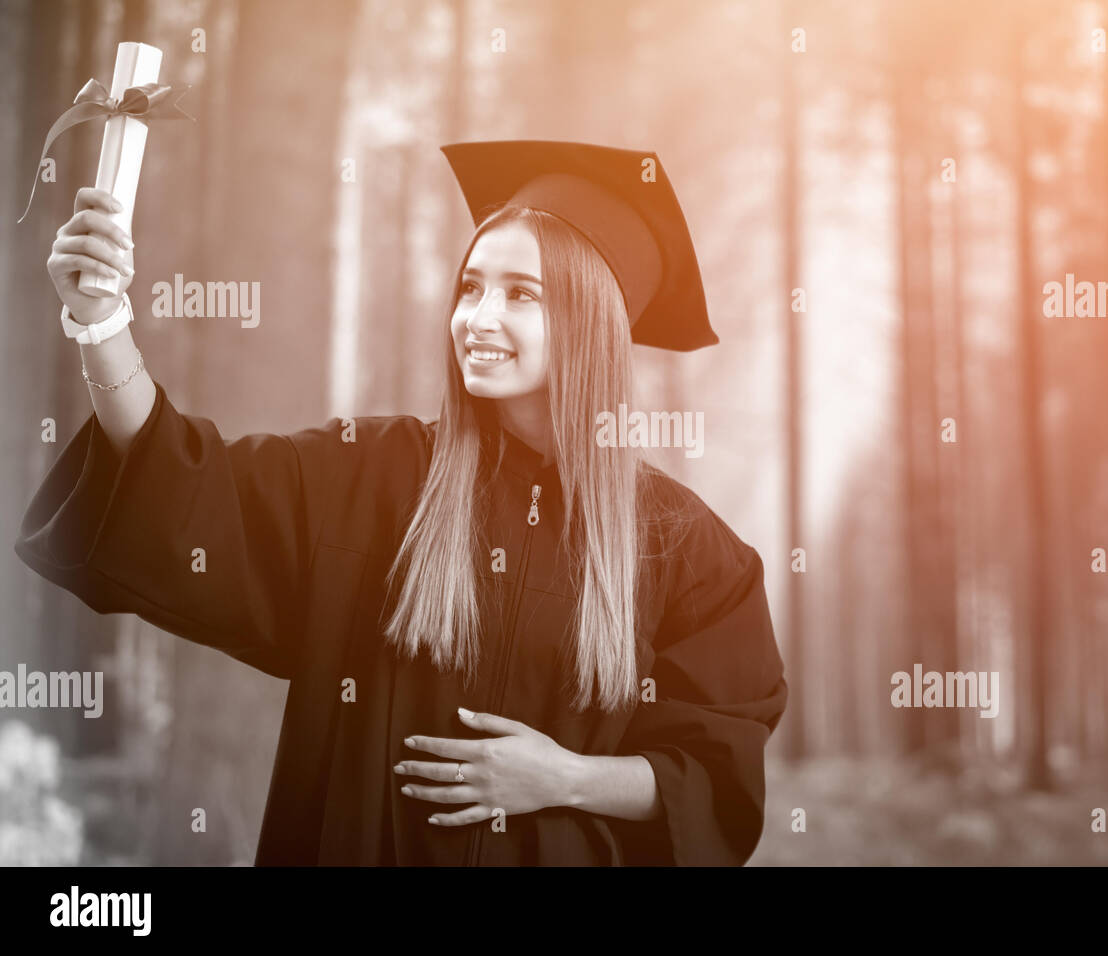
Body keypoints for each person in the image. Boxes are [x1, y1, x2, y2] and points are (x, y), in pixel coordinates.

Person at [15, 139, 789, 866]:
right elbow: (190, 485)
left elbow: (715, 777)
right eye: (471, 287)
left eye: (522, 295)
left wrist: (563, 778)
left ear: (591, 327)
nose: (478, 319)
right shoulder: (377, 474)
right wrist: (102, 323)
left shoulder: (688, 552)